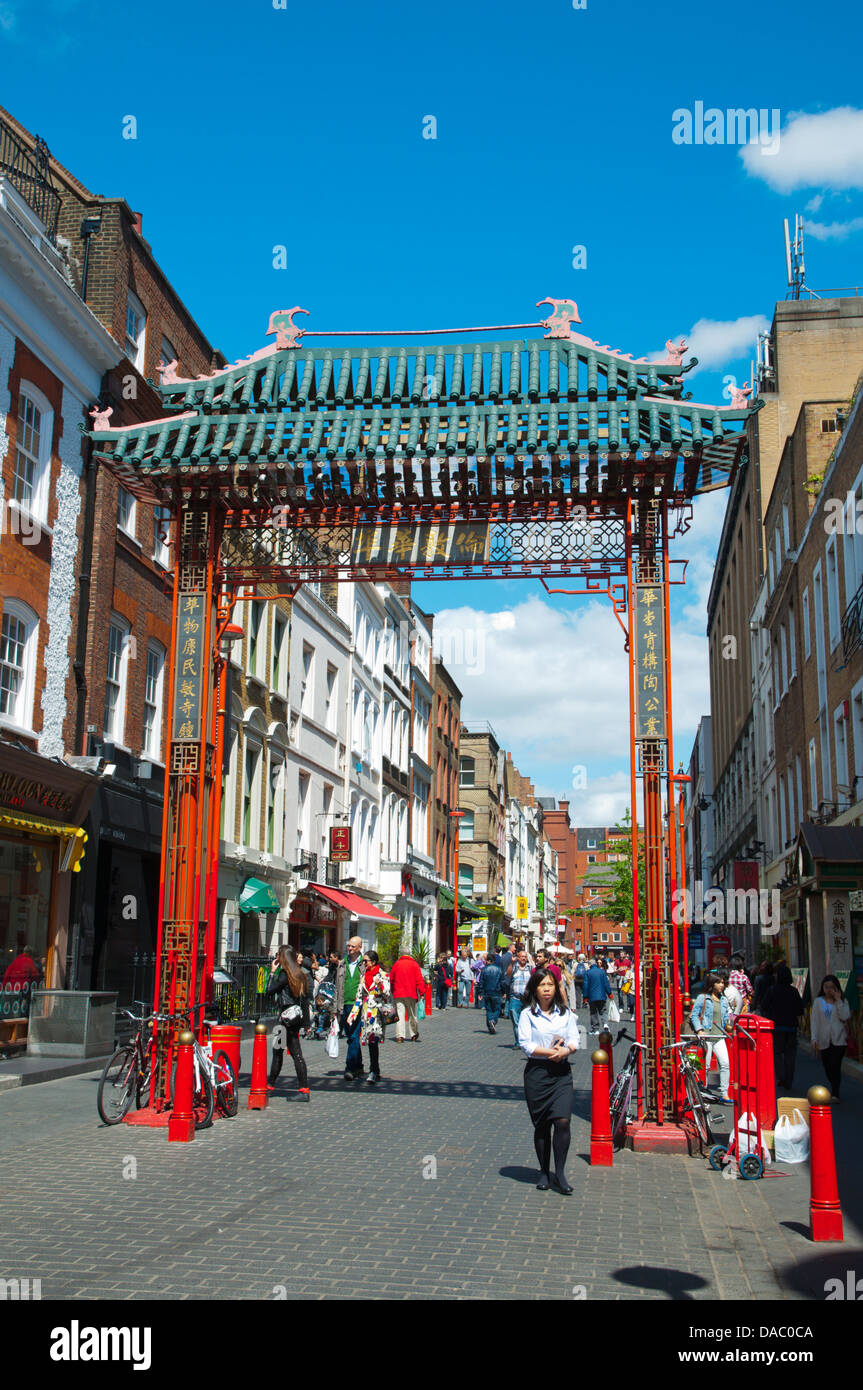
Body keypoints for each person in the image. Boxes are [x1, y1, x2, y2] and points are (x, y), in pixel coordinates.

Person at [518, 967, 580, 1193]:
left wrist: (567, 1051)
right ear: (535, 988)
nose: (546, 990)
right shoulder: (527, 1014)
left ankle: (560, 1174)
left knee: (562, 1121)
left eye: (550, 985)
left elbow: (574, 1038)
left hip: (561, 1073)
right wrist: (549, 1052)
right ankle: (544, 1171)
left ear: (556, 988)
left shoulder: (565, 1013)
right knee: (542, 1125)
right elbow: (526, 1044)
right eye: (542, 985)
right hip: (538, 1073)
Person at [264, 946, 311, 1100]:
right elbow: (305, 1001)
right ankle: (271, 1085)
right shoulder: (300, 974)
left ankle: (302, 1089)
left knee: (283, 1053)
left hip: (284, 1019)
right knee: (290, 1053)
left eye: (279, 954)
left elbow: (269, 990)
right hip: (294, 1018)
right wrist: (306, 1024)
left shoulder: (285, 975)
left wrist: (272, 972)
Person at [347, 949, 392, 1084]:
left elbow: (388, 994)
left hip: (376, 1014)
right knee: (368, 1042)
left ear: (373, 962)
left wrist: (380, 985)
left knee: (373, 1041)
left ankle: (373, 1070)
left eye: (365, 961)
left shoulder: (383, 975)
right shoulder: (363, 976)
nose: (363, 963)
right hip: (365, 1014)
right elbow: (359, 997)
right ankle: (374, 1069)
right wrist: (353, 1014)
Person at [690, 973, 733, 1103]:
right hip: (706, 1036)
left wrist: (729, 1025)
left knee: (725, 1064)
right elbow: (694, 1015)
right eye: (719, 982)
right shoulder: (703, 998)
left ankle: (724, 1093)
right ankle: (704, 1091)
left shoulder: (724, 1000)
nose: (722, 985)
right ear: (712, 984)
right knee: (706, 1066)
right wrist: (700, 1030)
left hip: (719, 1036)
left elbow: (726, 1018)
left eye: (723, 983)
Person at [760, 965, 804, 1089]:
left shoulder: (772, 990)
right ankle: (789, 1079)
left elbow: (764, 1006)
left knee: (777, 1053)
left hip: (776, 1027)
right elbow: (800, 1010)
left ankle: (781, 1076)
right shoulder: (794, 991)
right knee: (790, 1054)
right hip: (791, 1027)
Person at [811, 974, 852, 1102]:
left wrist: (838, 1000)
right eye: (826, 987)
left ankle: (835, 1092)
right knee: (828, 1067)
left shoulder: (843, 1001)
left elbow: (845, 1016)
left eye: (832, 987)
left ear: (837, 988)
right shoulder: (818, 1002)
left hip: (839, 1039)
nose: (829, 990)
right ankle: (834, 1084)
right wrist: (814, 1038)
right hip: (824, 1039)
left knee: (835, 1065)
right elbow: (815, 1021)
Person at [333, 936, 366, 1081]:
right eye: (349, 946)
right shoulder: (342, 964)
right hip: (344, 1004)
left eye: (353, 946)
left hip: (358, 1005)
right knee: (351, 1036)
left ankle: (350, 1068)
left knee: (353, 1036)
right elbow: (337, 987)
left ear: (359, 948)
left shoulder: (364, 964)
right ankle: (358, 1066)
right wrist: (335, 1008)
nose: (349, 948)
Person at [389, 949, 426, 1042]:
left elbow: (391, 979)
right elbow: (419, 979)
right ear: (410, 955)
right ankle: (413, 1033)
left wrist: (392, 991)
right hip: (410, 993)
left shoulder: (396, 964)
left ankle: (400, 1036)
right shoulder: (414, 965)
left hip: (398, 993)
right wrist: (422, 992)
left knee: (400, 1015)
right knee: (412, 1015)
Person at [508, 948, 533, 1047]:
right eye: (522, 956)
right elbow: (508, 974)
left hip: (527, 999)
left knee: (528, 1021)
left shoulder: (530, 968)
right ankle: (518, 1042)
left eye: (525, 957)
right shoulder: (514, 967)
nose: (524, 958)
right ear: (518, 958)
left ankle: (527, 1041)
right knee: (516, 1021)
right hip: (515, 998)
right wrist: (511, 963)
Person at [584, 957, 612, 1034]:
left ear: (590, 965)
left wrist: (585, 997)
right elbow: (606, 984)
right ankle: (605, 1024)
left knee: (593, 1012)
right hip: (602, 995)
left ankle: (595, 1029)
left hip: (592, 996)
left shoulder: (588, 973)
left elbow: (585, 986)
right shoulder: (602, 972)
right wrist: (609, 993)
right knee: (603, 1010)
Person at [480, 951, 504, 1034]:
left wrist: (480, 992)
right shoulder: (499, 970)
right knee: (497, 1009)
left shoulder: (484, 969)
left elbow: (481, 982)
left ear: (489, 961)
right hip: (497, 992)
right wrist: (503, 992)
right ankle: (493, 1021)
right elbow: (502, 982)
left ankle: (490, 1024)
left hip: (487, 992)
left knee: (489, 1009)